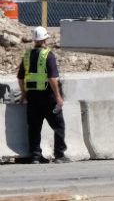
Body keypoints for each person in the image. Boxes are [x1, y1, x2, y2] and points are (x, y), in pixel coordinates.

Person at [17, 26, 67, 164]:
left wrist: (23, 94)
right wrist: (58, 96)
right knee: (59, 126)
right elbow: (52, 78)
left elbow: (20, 77)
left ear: (34, 40)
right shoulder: (48, 55)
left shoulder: (27, 55)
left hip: (32, 98)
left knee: (34, 127)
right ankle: (59, 155)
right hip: (49, 98)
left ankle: (35, 156)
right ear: (45, 39)